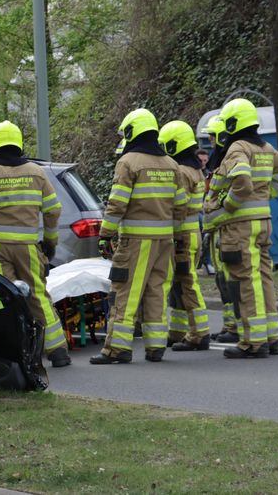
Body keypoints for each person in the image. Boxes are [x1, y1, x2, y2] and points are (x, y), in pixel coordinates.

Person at [0, 121, 69, 367]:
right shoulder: (37, 173)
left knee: (3, 298)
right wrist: (50, 242)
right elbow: (53, 210)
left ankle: (16, 352)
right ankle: (58, 350)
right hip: (28, 247)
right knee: (37, 295)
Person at [91, 109, 188, 364]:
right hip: (165, 242)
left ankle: (117, 349)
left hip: (135, 241)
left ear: (132, 131)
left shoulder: (129, 162)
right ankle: (156, 346)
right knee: (157, 291)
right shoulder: (172, 165)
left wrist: (105, 235)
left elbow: (117, 203)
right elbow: (181, 207)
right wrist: (179, 238)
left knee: (125, 292)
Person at [205, 98, 278, 358]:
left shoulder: (238, 148)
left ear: (233, 124)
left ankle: (253, 342)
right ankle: (271, 336)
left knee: (245, 281)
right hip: (262, 223)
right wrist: (264, 194)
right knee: (263, 278)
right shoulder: (266, 148)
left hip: (240, 227)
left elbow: (242, 182)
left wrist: (229, 205)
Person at [158, 121, 211, 351]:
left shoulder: (180, 171)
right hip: (192, 234)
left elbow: (175, 205)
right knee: (180, 284)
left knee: (187, 283)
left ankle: (199, 333)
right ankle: (178, 331)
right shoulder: (195, 169)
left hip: (182, 236)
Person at [202, 115, 240, 343]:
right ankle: (229, 325)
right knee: (221, 280)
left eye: (212, 136)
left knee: (229, 279)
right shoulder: (217, 160)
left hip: (226, 226)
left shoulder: (228, 160)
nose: (209, 140)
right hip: (216, 227)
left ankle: (235, 327)